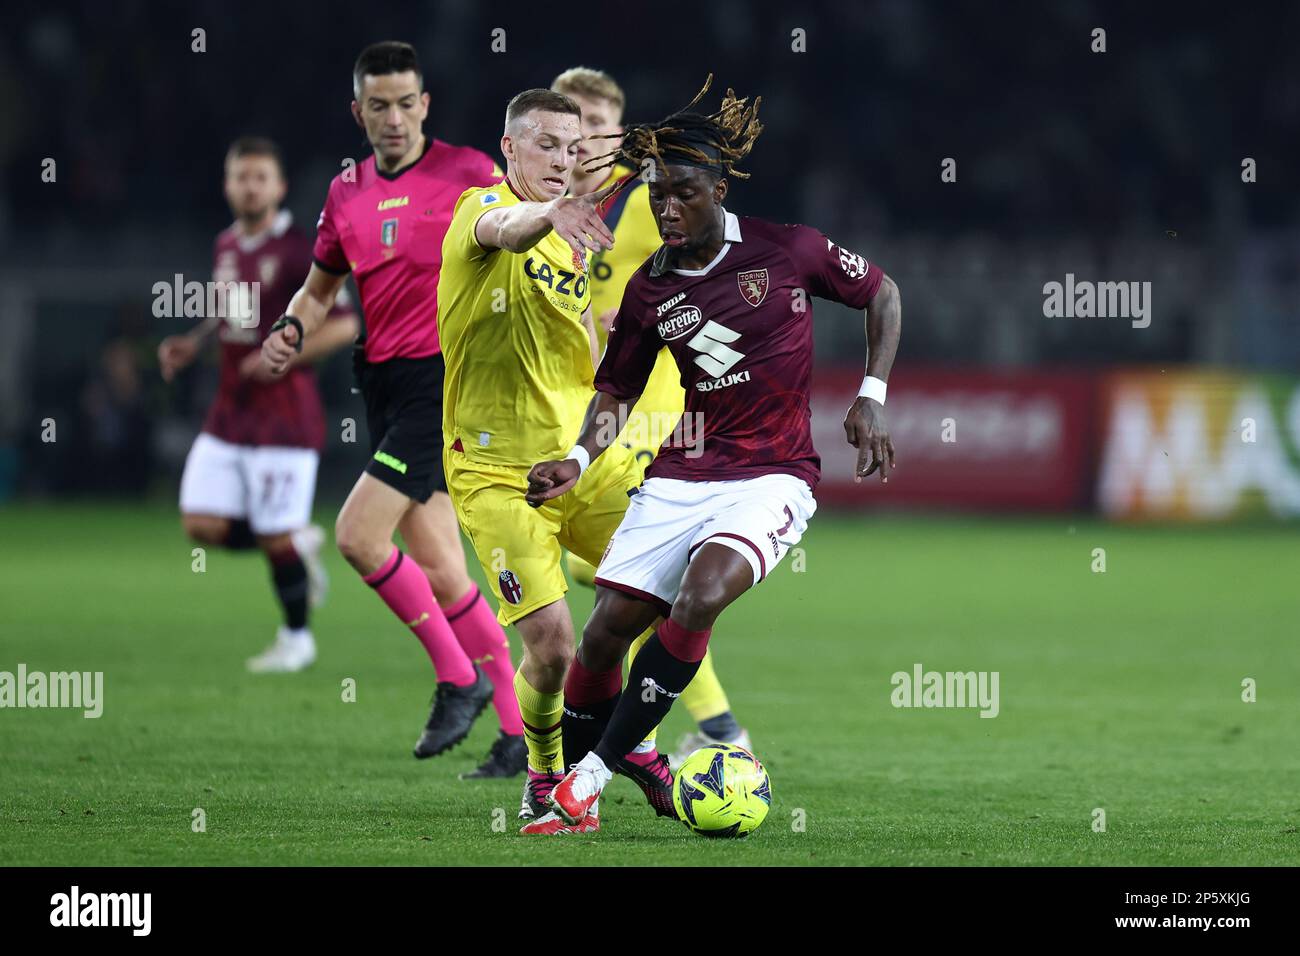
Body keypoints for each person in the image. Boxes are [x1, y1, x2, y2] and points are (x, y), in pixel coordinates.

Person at [525, 78, 902, 829]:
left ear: (719, 190)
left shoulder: (786, 249)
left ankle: (586, 782)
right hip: (682, 474)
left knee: (701, 597)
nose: (667, 208)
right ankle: (591, 785)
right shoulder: (647, 291)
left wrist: (872, 394)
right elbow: (615, 398)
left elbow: (883, 294)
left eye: (684, 194)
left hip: (772, 477)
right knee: (600, 638)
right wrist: (575, 457)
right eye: (658, 195)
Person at [260, 42, 524, 777]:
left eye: (407, 102)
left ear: (425, 105)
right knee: (444, 569)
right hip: (379, 380)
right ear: (359, 111)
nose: (395, 117)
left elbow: (526, 243)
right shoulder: (345, 191)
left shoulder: (472, 173)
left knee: (356, 536)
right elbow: (318, 289)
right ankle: (516, 733)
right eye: (379, 105)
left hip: (442, 381)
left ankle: (458, 676)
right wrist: (289, 327)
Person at [435, 88, 676, 835]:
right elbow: (504, 228)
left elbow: (573, 352)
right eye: (544, 145)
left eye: (572, 150)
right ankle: (545, 774)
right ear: (508, 146)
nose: (561, 162)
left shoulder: (577, 237)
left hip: (579, 463)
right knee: (551, 648)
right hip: (495, 475)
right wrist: (550, 210)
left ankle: (633, 747)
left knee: (662, 590)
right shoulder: (478, 214)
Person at [551, 66, 753, 768]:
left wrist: (644, 317)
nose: (584, 142)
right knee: (598, 573)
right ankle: (663, 724)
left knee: (633, 574)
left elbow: (712, 276)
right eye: (572, 126)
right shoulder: (538, 213)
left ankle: (695, 729)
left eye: (601, 127)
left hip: (655, 408)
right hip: (575, 403)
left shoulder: (650, 202)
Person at [160, 136, 358, 672]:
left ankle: (297, 640)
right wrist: (195, 341)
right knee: (200, 522)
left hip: (285, 418)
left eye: (259, 177)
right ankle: (297, 542)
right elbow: (233, 310)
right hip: (228, 412)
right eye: (240, 177)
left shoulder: (301, 248)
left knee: (273, 537)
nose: (249, 186)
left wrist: (284, 357)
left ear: (279, 187)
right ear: (228, 185)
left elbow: (343, 325)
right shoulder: (227, 244)